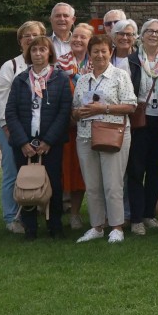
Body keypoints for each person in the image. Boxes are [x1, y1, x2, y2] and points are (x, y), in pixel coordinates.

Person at [5, 34, 72, 240]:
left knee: (54, 183)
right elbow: (11, 112)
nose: (38, 53)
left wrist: (48, 141)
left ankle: (55, 226)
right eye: (34, 50)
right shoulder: (21, 79)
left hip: (50, 143)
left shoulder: (60, 79)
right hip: (25, 142)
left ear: (49, 53)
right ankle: (30, 227)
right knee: (26, 183)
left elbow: (64, 112)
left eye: (42, 49)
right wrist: (22, 142)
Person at [72, 33, 137, 243]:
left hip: (112, 135)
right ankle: (97, 226)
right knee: (92, 185)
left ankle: (116, 227)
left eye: (103, 51)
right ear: (89, 54)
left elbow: (131, 105)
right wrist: (78, 113)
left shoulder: (120, 75)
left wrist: (104, 108)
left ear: (111, 52)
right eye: (95, 51)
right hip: (85, 135)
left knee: (113, 184)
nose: (99, 55)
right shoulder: (83, 79)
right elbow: (74, 109)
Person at [0, 21, 43, 235]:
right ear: (20, 40)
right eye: (26, 35)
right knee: (13, 171)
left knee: (35, 171)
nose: (31, 39)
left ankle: (33, 211)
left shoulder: (48, 65)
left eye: (35, 35)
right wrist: (5, 126)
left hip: (37, 129)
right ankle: (12, 217)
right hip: (11, 128)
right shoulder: (11, 66)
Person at [126, 18, 158, 234]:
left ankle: (149, 214)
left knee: (155, 169)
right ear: (141, 36)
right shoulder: (130, 61)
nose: (154, 35)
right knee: (136, 169)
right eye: (149, 31)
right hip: (138, 121)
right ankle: (136, 218)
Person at [59, 23, 93, 229]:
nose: (78, 40)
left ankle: (75, 214)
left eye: (83, 37)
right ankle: (53, 212)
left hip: (90, 125)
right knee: (64, 170)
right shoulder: (58, 63)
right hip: (65, 126)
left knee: (81, 171)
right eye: (75, 36)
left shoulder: (98, 62)